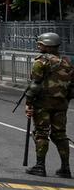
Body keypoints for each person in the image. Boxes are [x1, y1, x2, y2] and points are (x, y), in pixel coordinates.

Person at [23, 32, 73, 178]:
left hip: (43, 104)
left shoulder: (41, 61)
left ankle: (40, 166)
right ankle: (65, 168)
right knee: (60, 135)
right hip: (61, 104)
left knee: (41, 133)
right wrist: (64, 101)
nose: (38, 46)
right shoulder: (67, 62)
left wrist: (28, 103)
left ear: (47, 45)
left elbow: (35, 84)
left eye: (40, 43)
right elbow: (72, 88)